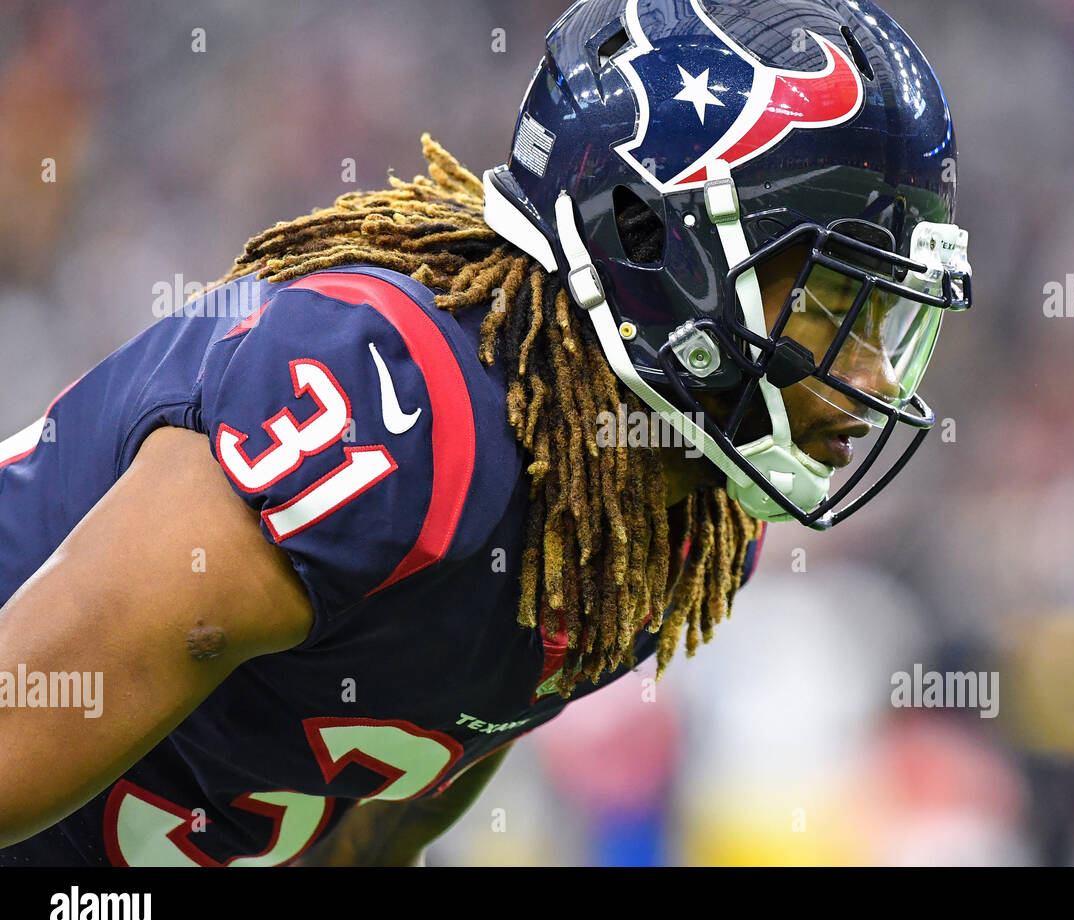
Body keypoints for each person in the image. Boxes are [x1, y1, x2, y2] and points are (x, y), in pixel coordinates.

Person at [0, 0, 971, 866]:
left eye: (886, 314)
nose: (870, 375)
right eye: (833, 293)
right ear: (649, 234)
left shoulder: (661, 520)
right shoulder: (392, 404)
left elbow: (395, 793)